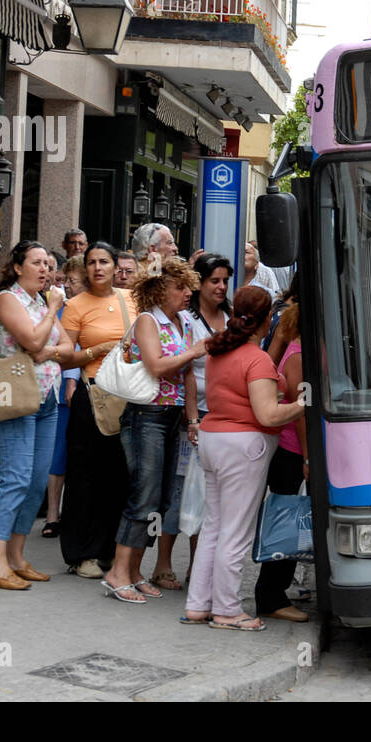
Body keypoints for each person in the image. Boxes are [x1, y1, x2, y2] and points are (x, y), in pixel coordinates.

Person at [181, 286, 303, 630]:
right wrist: (299, 406)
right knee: (236, 532)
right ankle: (227, 610)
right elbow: (267, 415)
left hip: (212, 439)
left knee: (214, 527)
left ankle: (198, 605)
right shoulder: (257, 359)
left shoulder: (219, 351)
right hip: (244, 446)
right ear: (267, 320)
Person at [101, 258, 206, 604]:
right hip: (146, 415)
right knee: (143, 494)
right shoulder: (148, 320)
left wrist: (192, 420)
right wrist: (192, 351)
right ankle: (118, 571)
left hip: (172, 417)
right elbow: (157, 366)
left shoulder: (183, 322)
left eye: (189, 286)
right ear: (161, 291)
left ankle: (135, 571)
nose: (188, 293)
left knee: (159, 499)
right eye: (180, 287)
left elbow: (189, 375)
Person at [0, 241, 73, 590]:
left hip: (47, 398)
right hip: (17, 398)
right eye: (37, 263)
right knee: (15, 479)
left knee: (37, 482)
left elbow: (66, 347)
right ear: (18, 267)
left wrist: (47, 347)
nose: (45, 270)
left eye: (48, 265)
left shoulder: (38, 301)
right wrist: (51, 315)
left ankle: (17, 558)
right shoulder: (9, 299)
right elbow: (33, 342)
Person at [152, 252, 234, 589]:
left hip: (222, 414)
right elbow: (184, 369)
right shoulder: (188, 320)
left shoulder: (230, 316)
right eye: (214, 280)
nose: (221, 286)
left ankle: (197, 568)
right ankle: (162, 564)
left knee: (209, 494)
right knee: (178, 489)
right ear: (198, 283)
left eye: (225, 281)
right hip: (193, 414)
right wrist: (191, 420)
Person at [58, 242, 135, 579]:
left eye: (104, 261)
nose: (98, 268)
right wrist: (97, 349)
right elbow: (65, 356)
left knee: (118, 477)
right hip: (92, 395)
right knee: (84, 477)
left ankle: (107, 550)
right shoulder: (74, 305)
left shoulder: (130, 299)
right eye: (91, 262)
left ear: (116, 266)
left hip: (128, 396)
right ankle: (80, 553)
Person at [254, 295, 309, 622]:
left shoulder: (298, 350)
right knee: (287, 521)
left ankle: (276, 592)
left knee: (288, 519)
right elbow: (300, 413)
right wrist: (308, 458)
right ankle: (270, 597)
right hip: (292, 451)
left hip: (292, 449)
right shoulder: (299, 356)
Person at [39, 257, 87, 534]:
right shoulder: (59, 309)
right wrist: (68, 379)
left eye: (72, 281)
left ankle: (72, 515)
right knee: (57, 455)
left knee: (78, 456)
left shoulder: (93, 307)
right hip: (59, 389)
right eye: (64, 280)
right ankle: (52, 516)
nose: (66, 285)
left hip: (84, 387)